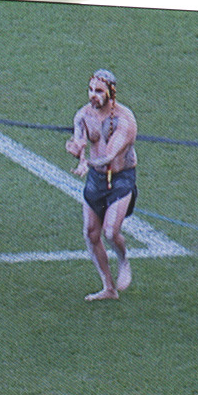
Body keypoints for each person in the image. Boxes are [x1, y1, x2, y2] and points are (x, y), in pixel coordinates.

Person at [67, 68, 139, 301]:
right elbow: (79, 140)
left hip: (120, 178)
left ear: (111, 93)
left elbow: (109, 155)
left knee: (110, 231)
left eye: (98, 91)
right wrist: (76, 151)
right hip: (96, 179)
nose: (92, 95)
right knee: (90, 232)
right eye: (90, 90)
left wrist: (86, 162)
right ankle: (108, 287)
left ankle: (123, 259)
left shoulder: (124, 120)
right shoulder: (82, 115)